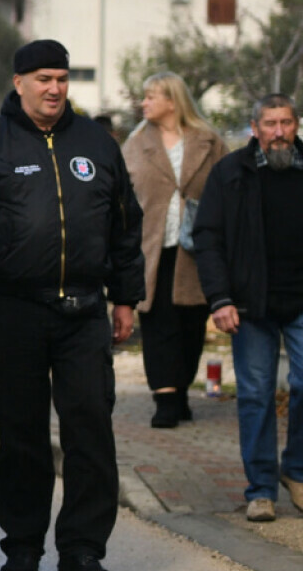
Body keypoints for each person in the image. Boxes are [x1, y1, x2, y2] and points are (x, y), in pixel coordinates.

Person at [0, 39, 143, 571]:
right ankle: (22, 547)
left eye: (62, 79)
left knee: (89, 430)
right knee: (20, 432)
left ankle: (83, 549)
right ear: (19, 82)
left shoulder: (96, 141)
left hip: (85, 311)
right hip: (15, 308)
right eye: (43, 78)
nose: (54, 89)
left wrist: (127, 298)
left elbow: (125, 224)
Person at [192, 93, 303, 523]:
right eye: (270, 124)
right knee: (255, 395)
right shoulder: (230, 173)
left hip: (300, 300)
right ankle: (260, 488)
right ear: (255, 129)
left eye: (286, 123)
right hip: (249, 304)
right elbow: (207, 238)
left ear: (296, 126)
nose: (279, 133)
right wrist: (219, 298)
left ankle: (295, 470)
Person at [124, 72, 226, 429]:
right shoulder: (136, 143)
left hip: (196, 250)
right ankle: (164, 397)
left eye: (152, 97)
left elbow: (226, 191)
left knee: (191, 324)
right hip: (152, 248)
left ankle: (179, 391)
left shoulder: (209, 142)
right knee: (157, 322)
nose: (145, 103)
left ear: (172, 101)